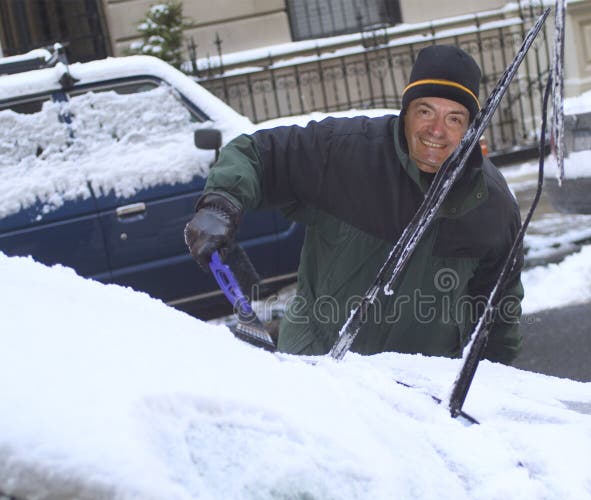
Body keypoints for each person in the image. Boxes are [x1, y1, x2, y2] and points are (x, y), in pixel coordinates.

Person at [184, 44, 524, 363]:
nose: (437, 130)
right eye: (426, 111)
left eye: (454, 118)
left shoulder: (489, 204)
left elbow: (497, 313)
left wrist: (491, 389)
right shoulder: (346, 155)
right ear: (406, 112)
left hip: (420, 397)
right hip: (321, 373)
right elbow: (258, 153)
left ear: (469, 128)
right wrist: (221, 204)